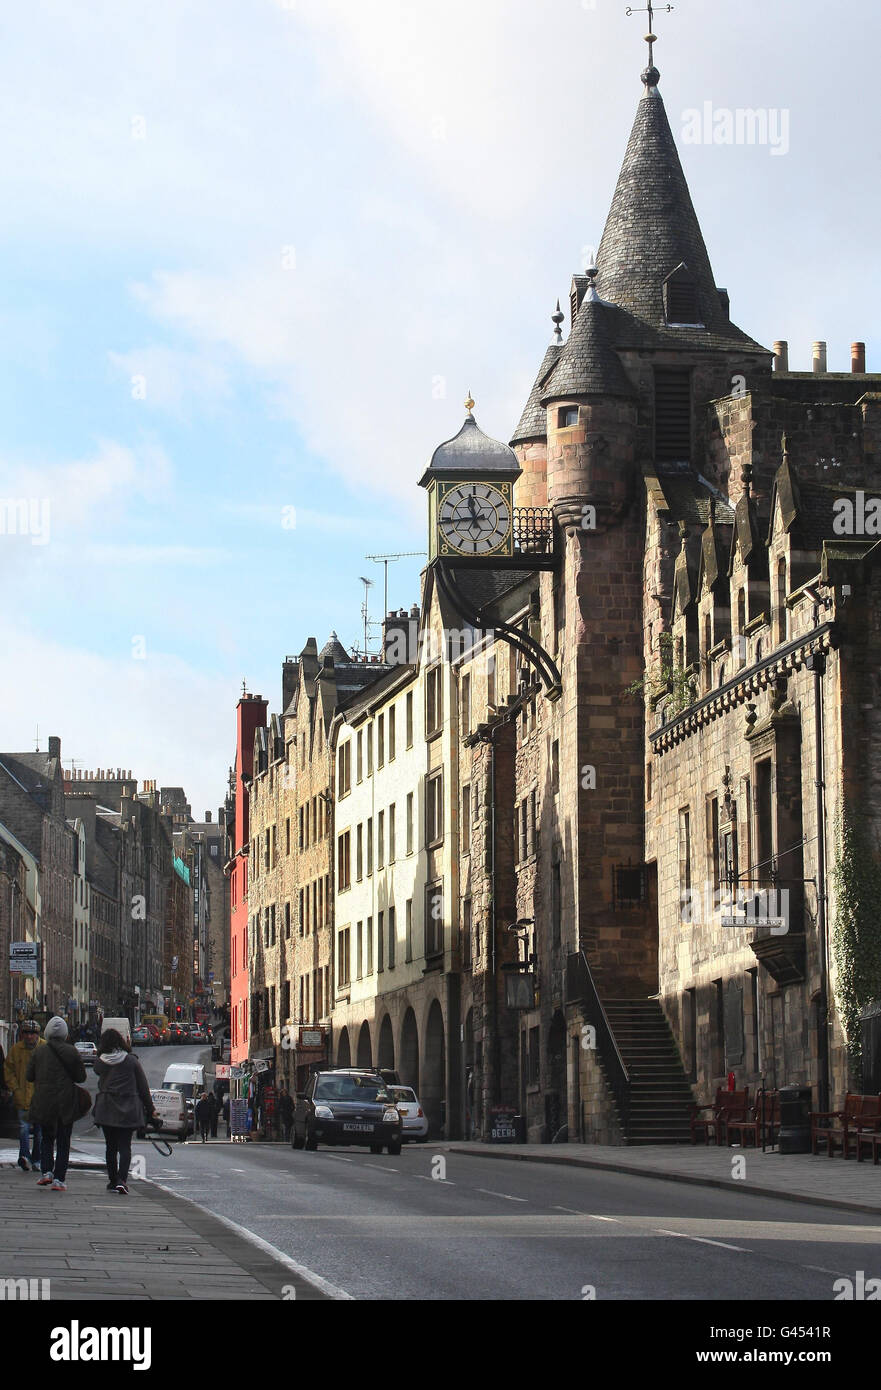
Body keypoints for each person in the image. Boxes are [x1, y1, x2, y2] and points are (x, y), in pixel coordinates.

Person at [93, 1027, 159, 1195]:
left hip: (107, 1107)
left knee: (110, 1147)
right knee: (125, 1146)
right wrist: (150, 1109)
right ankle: (122, 1180)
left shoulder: (101, 1061)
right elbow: (143, 1087)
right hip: (128, 1108)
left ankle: (112, 1180)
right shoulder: (131, 1061)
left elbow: (97, 1071)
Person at [27, 1016, 86, 1191]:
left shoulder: (39, 1051)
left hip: (44, 1101)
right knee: (63, 1141)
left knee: (46, 1137)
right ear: (65, 1034)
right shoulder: (72, 1051)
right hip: (65, 1102)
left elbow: (29, 1076)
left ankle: (46, 1172)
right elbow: (81, 1077)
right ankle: (59, 1178)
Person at [6, 1021, 44, 1170]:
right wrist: (15, 1088)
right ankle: (24, 1156)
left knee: (40, 1131)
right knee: (24, 1128)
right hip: (22, 1097)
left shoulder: (44, 1048)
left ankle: (37, 1159)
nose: (29, 1036)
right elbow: (8, 1071)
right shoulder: (16, 1050)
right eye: (26, 1033)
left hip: (40, 1099)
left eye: (32, 1033)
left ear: (38, 1035)